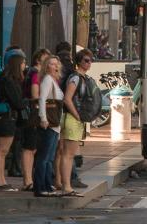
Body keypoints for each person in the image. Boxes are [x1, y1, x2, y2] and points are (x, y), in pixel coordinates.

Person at [57, 50, 93, 197]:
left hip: (75, 118)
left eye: (91, 60)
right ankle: (66, 186)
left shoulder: (82, 78)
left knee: (66, 153)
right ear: (79, 61)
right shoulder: (76, 78)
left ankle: (63, 183)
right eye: (86, 60)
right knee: (68, 154)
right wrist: (77, 115)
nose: (89, 63)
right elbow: (67, 98)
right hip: (72, 118)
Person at [0, 54, 27, 191]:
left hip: (6, 117)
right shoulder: (9, 79)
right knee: (2, 150)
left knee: (2, 150)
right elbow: (17, 101)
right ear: (17, 64)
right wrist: (25, 102)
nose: (24, 65)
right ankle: (0, 181)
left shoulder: (6, 78)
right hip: (6, 117)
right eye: (23, 63)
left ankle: (1, 180)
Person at [20, 49, 51, 191]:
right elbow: (35, 94)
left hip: (33, 113)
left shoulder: (36, 73)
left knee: (33, 147)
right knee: (30, 148)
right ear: (38, 60)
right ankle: (27, 180)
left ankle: (29, 179)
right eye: (46, 58)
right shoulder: (35, 74)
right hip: (33, 114)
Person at [34, 56, 64, 197]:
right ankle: (40, 186)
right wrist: (43, 118)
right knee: (44, 157)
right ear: (47, 66)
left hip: (55, 124)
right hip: (49, 123)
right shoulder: (47, 80)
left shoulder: (54, 81)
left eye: (56, 64)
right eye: (51, 64)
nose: (55, 66)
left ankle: (47, 184)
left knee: (50, 157)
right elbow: (42, 99)